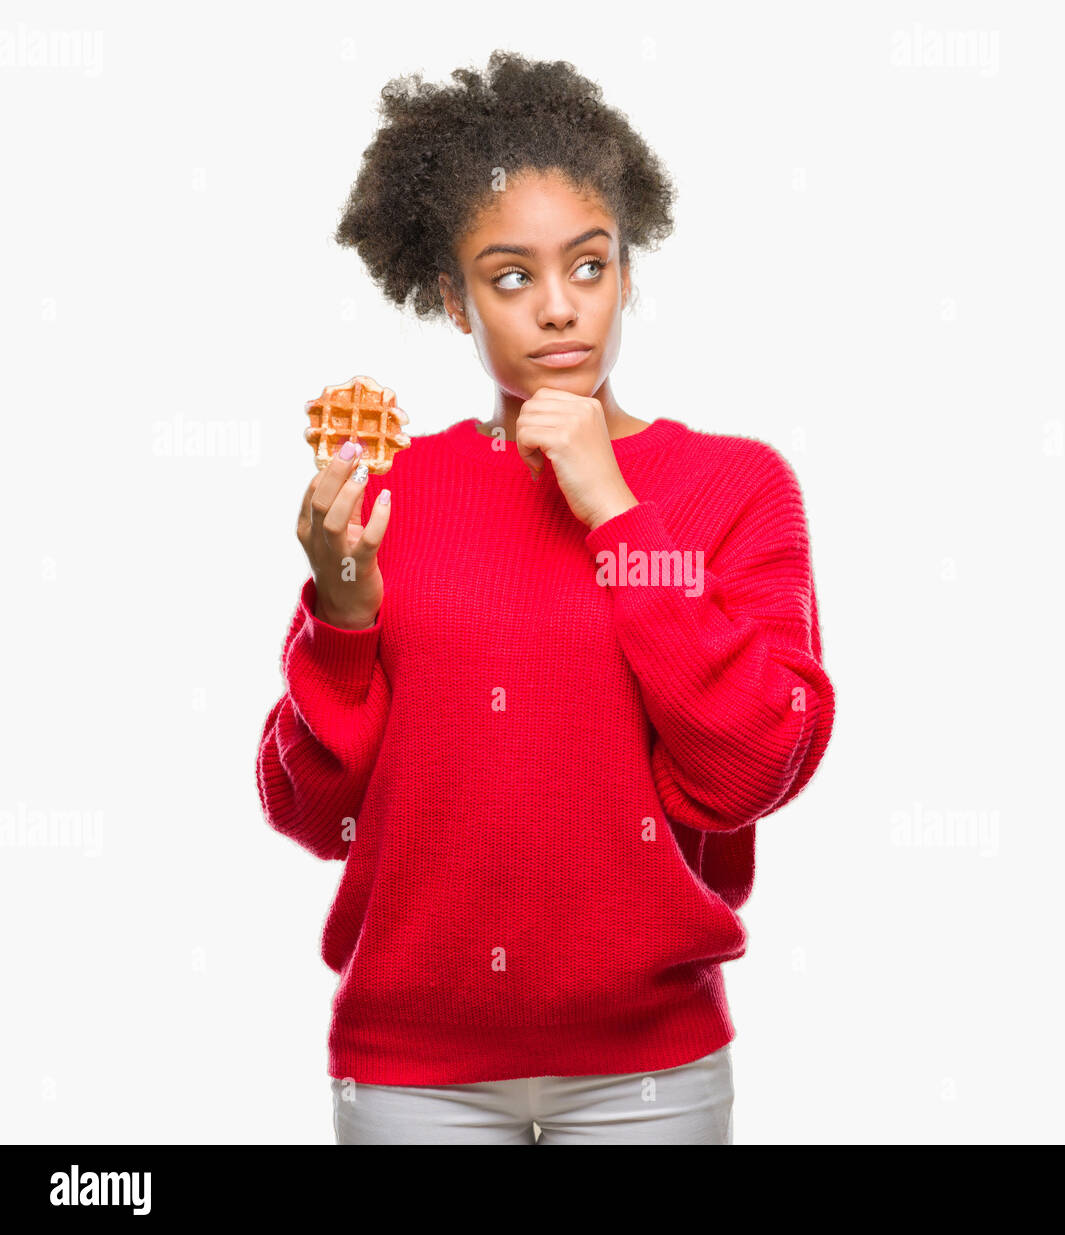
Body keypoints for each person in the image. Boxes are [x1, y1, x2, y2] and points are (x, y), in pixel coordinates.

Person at [256, 50, 836, 1145]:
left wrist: (617, 514)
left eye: (589, 265)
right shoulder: (388, 491)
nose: (560, 310)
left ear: (627, 271)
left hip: (650, 1071)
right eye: (511, 276)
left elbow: (752, 762)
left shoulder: (736, 484)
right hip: (410, 1070)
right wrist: (339, 617)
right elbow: (311, 811)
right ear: (450, 296)